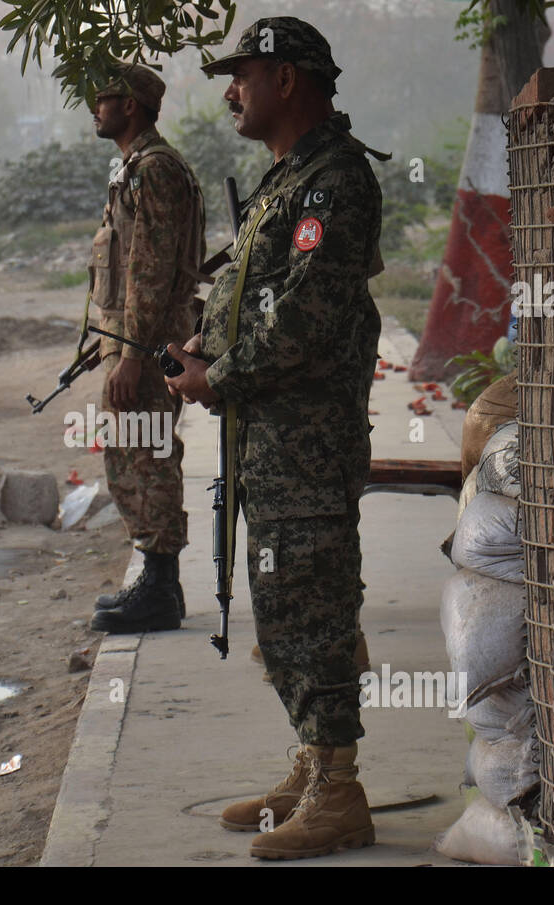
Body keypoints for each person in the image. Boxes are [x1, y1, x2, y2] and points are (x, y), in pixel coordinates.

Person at [164, 16, 389, 860]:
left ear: (286, 79)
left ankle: (342, 792)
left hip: (308, 441)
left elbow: (305, 317)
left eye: (242, 75)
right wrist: (202, 349)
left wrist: (216, 379)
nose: (230, 90)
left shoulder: (334, 182)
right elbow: (254, 302)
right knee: (286, 609)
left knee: (315, 605)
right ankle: (316, 761)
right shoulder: (286, 180)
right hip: (270, 438)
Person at [86, 64, 206, 634]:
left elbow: (151, 272)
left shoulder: (154, 169)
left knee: (147, 455)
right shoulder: (138, 166)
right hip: (137, 337)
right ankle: (157, 582)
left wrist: (132, 356)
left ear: (130, 106)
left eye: (104, 99)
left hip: (148, 344)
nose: (95, 107)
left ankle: (159, 588)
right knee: (133, 453)